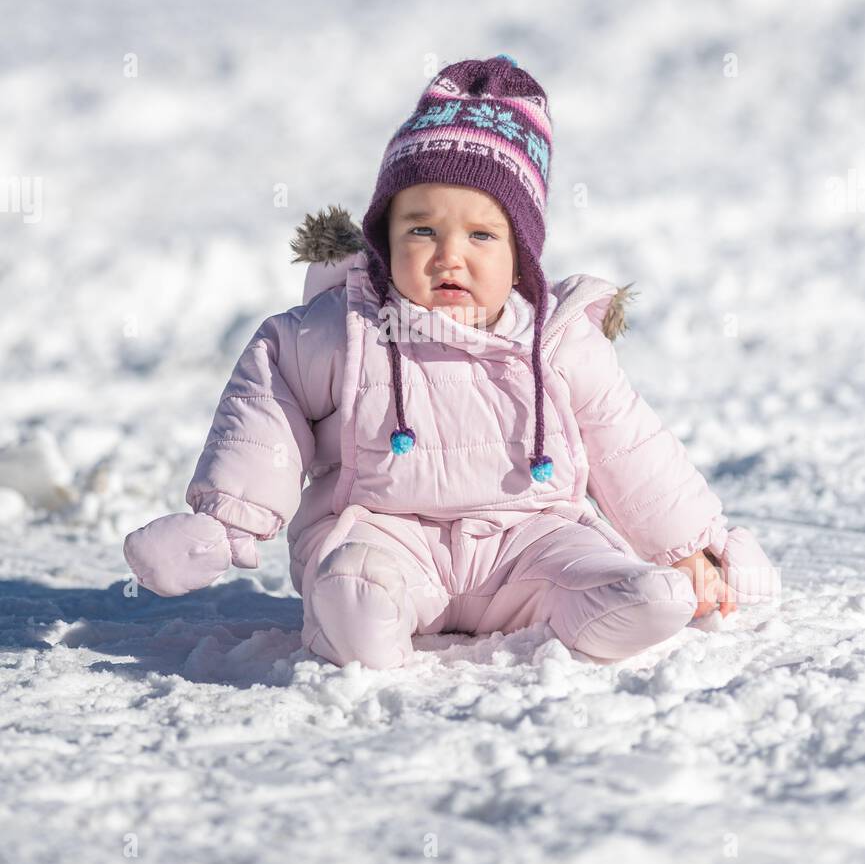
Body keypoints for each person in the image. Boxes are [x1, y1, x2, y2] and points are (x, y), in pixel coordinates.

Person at [123, 54, 780, 667]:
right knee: (354, 577)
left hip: (527, 541)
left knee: (606, 572)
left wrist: (693, 550)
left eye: (480, 235)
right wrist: (226, 521)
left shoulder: (557, 341)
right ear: (383, 237)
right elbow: (267, 405)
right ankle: (360, 620)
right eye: (421, 229)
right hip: (386, 533)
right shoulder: (347, 329)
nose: (448, 255)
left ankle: (606, 607)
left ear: (521, 251)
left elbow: (628, 446)